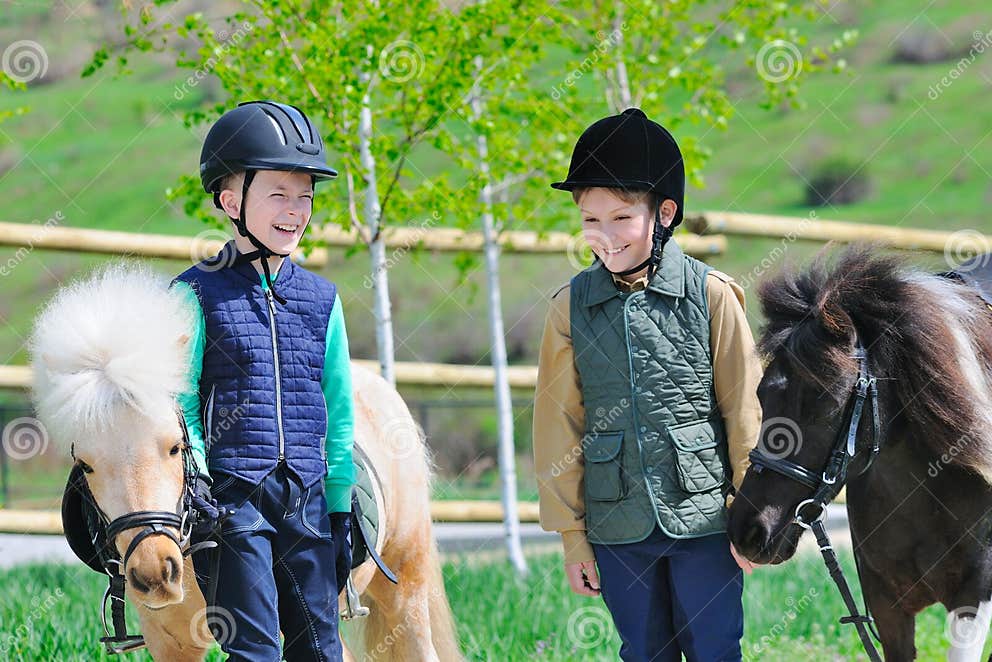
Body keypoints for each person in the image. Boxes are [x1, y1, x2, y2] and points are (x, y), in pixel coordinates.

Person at [532, 107, 763, 661]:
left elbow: (745, 410)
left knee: (715, 648)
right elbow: (557, 426)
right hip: (616, 526)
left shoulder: (712, 296)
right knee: (643, 651)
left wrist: (751, 511)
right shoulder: (570, 307)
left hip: (706, 518)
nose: (604, 237)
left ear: (664, 213)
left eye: (620, 218)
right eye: (590, 220)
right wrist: (572, 535)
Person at [172, 100, 354, 661]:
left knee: (320, 650)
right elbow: (179, 400)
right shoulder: (194, 293)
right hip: (231, 501)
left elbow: (338, 408)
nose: (296, 210)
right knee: (254, 652)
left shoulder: (323, 300)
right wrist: (201, 483)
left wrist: (342, 506)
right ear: (231, 201)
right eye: (279, 194)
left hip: (306, 498)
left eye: (305, 196)